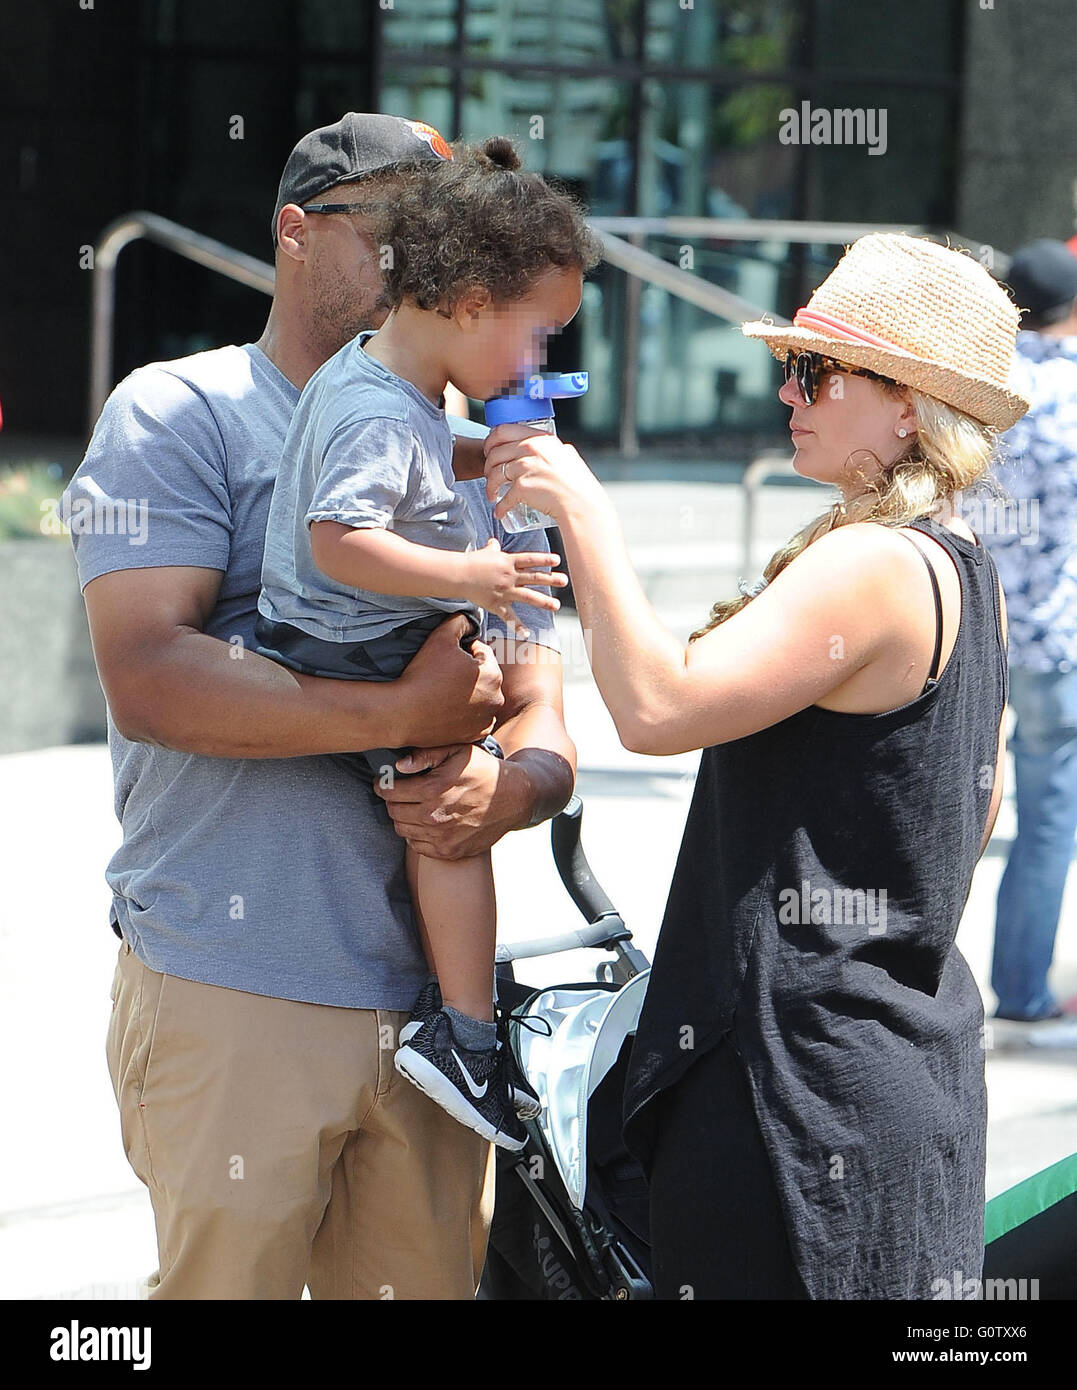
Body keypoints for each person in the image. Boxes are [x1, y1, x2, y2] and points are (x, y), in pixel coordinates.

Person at [59, 112, 577, 1300]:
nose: (431, 255)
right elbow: (149, 678)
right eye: (397, 224)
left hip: (441, 1024)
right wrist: (406, 706)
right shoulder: (178, 411)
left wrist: (516, 786)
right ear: (296, 233)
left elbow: (544, 696)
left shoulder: (485, 447)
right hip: (238, 983)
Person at [483, 232, 1029, 1298]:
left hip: (793, 1089)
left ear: (910, 404)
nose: (789, 390)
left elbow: (653, 708)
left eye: (818, 370)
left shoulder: (872, 561)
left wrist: (584, 516)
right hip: (893, 1075)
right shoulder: (962, 567)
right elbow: (968, 809)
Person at [253, 136, 599, 1149]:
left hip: (349, 631)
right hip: (349, 640)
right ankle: (466, 1036)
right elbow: (339, 538)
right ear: (473, 303)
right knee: (453, 812)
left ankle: (464, 1018)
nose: (540, 363)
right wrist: (474, 576)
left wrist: (478, 451)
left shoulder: (382, 382)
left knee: (463, 784)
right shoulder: (372, 410)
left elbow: (409, 448)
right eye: (539, 337)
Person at [982, 239, 1077, 1023]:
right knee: (1047, 818)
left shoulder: (982, 385)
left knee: (954, 812)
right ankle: (1021, 990)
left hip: (973, 626)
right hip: (1057, 638)